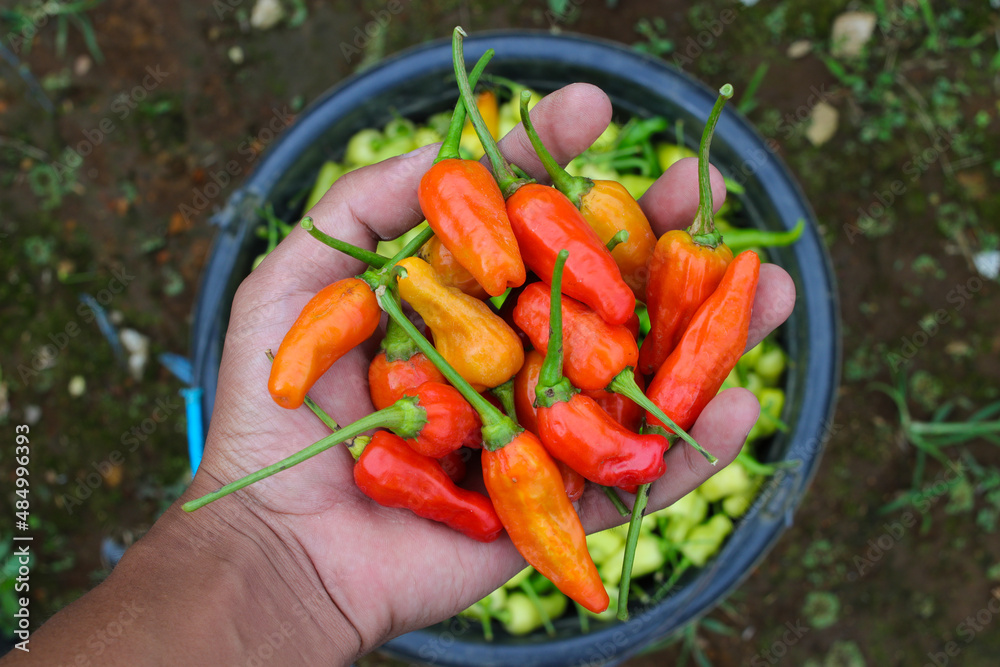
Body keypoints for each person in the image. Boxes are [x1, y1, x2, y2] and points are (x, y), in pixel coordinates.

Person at [3, 83, 795, 666]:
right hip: (508, 395)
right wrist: (257, 527)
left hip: (529, 387)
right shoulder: (459, 367)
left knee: (599, 351)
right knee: (542, 363)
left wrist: (257, 532)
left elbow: (570, 316)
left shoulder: (533, 346)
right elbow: (504, 321)